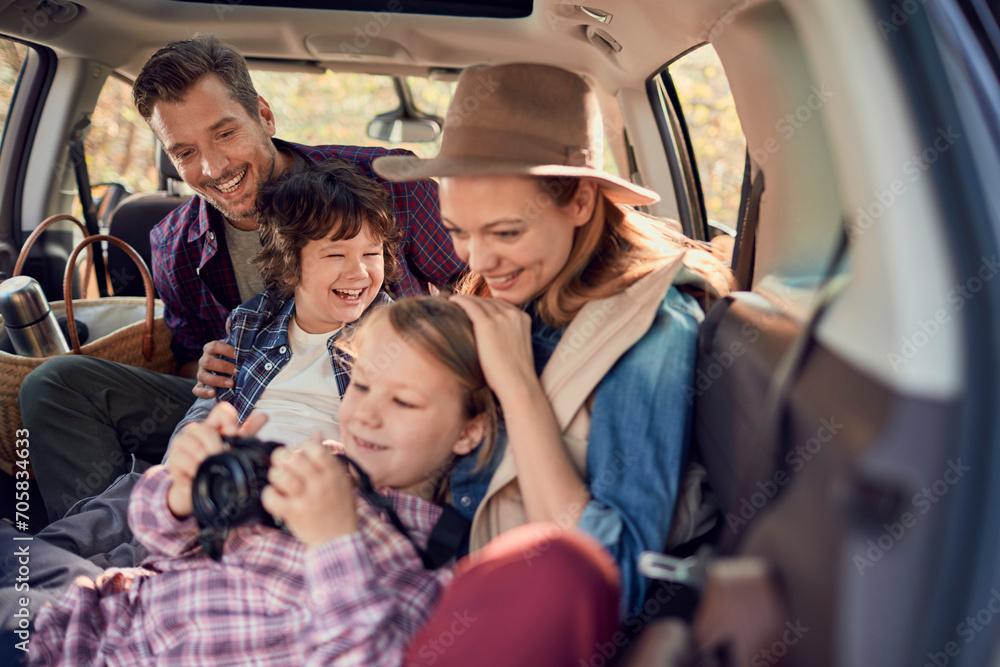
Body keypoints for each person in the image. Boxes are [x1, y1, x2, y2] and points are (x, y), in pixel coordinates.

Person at [20, 34, 464, 523]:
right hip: (245, 401)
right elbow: (190, 363)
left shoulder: (387, 181)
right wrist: (204, 368)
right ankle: (126, 536)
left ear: (264, 116)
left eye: (225, 133)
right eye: (185, 152)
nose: (213, 168)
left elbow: (469, 289)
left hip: (367, 408)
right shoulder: (174, 242)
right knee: (54, 383)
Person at [371, 62, 734, 658]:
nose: (480, 259)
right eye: (459, 231)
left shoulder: (652, 332)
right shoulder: (522, 291)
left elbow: (612, 574)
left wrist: (517, 386)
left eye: (507, 233)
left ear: (582, 200)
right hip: (441, 577)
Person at [26, 296, 497, 666]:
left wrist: (334, 543)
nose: (368, 415)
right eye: (364, 386)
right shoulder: (319, 463)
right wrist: (180, 493)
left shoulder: (429, 560)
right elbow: (159, 537)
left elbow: (367, 656)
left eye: (406, 403)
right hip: (100, 618)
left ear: (468, 430)